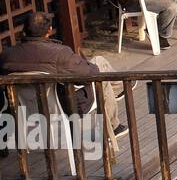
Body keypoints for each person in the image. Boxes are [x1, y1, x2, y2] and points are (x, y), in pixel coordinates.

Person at [0, 10, 122, 140]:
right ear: (49, 30)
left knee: (98, 71)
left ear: (23, 31)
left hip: (25, 110)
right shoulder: (60, 53)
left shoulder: (7, 55)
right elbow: (90, 74)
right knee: (99, 67)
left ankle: (117, 88)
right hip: (64, 107)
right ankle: (115, 121)